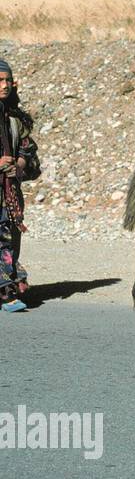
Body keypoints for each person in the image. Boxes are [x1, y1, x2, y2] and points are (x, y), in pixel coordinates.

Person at [0, 59, 41, 312]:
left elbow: (29, 150)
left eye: (7, 81)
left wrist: (20, 164)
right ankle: (6, 295)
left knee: (9, 243)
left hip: (9, 195)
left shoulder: (15, 119)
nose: (4, 86)